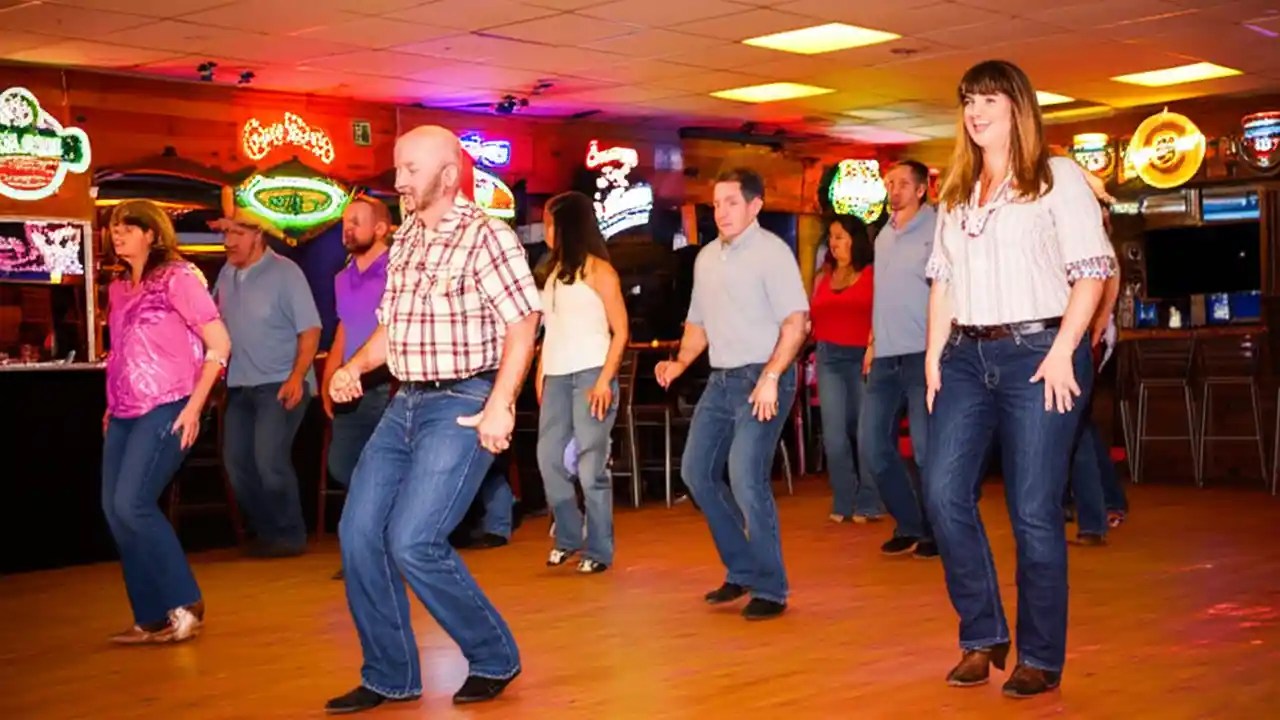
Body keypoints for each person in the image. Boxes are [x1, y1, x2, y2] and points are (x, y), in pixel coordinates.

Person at [324, 126, 540, 714]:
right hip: (405, 402)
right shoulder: (408, 240)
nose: (399, 181)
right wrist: (354, 366)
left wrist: (502, 402)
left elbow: (523, 323)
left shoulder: (487, 237)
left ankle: (493, 656)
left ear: (448, 175)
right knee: (358, 532)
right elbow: (392, 329)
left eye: (410, 170)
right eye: (397, 169)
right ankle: (390, 674)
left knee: (414, 540)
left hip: (463, 401)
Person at [922, 59, 1116, 699]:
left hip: (1040, 352)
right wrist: (933, 355)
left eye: (989, 100)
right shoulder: (957, 190)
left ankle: (1039, 656)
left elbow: (1092, 272)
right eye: (968, 101)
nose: (976, 112)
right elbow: (943, 280)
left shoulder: (1057, 178)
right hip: (965, 356)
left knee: (1032, 509)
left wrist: (1064, 350)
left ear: (1018, 108)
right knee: (943, 493)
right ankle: (982, 635)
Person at [655, 168, 808, 621]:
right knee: (696, 473)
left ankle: (771, 588)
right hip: (721, 381)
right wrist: (680, 363)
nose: (721, 211)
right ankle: (742, 568)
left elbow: (796, 323)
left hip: (764, 378)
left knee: (745, 477)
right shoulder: (705, 258)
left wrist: (771, 376)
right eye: (717, 203)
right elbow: (698, 322)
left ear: (755, 206)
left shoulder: (772, 253)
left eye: (732, 202)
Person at [102, 199, 231, 644]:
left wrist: (194, 406)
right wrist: (110, 403)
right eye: (114, 226)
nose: (117, 233)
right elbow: (122, 351)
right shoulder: (119, 288)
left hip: (168, 403)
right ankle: (151, 617)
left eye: (128, 226)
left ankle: (185, 601)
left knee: (133, 504)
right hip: (124, 409)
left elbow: (219, 343)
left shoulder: (178, 278)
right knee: (115, 510)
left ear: (152, 234)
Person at [211, 207, 321, 557]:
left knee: (268, 461)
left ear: (258, 236)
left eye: (237, 234)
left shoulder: (286, 272)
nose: (229, 242)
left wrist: (296, 377)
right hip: (240, 384)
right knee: (237, 464)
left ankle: (290, 535)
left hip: (280, 382)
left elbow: (311, 330)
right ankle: (268, 532)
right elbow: (214, 324)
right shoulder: (226, 274)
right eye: (226, 234)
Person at [535, 191, 629, 573]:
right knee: (548, 458)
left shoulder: (600, 271)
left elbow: (621, 331)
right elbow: (549, 330)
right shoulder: (551, 273)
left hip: (592, 372)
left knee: (592, 466)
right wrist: (541, 373)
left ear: (568, 226)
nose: (545, 230)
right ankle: (569, 535)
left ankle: (599, 549)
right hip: (557, 374)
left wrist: (605, 380)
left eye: (550, 223)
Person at [859, 160, 938, 558]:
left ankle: (938, 530)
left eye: (903, 183)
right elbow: (883, 295)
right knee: (873, 446)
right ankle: (910, 524)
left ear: (921, 189)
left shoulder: (939, 229)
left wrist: (940, 351)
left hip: (924, 355)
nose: (894, 189)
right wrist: (872, 342)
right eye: (890, 182)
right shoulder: (884, 235)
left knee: (926, 451)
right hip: (886, 356)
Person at [320, 196, 393, 580]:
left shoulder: (396, 270)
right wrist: (330, 376)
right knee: (345, 464)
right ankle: (373, 548)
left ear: (380, 229)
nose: (347, 229)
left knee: (376, 466)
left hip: (386, 381)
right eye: (345, 222)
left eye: (356, 222)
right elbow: (344, 329)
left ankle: (374, 554)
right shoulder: (342, 277)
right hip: (351, 383)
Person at [809, 214, 881, 523]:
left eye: (839, 237)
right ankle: (843, 497)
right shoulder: (822, 277)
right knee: (834, 434)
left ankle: (870, 499)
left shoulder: (872, 275)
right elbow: (811, 317)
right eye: (831, 238)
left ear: (855, 240)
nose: (833, 243)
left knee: (865, 433)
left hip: (862, 356)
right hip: (828, 356)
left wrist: (874, 346)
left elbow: (882, 315)